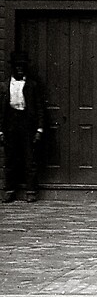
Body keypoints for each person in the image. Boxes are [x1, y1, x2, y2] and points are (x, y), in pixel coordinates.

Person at [1, 51, 45, 203]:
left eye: (22, 66)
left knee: (29, 157)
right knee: (10, 158)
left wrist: (39, 128)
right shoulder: (5, 85)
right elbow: (1, 110)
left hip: (27, 122)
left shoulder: (32, 85)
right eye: (17, 66)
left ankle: (31, 190)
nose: (20, 69)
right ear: (13, 68)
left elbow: (39, 108)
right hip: (11, 123)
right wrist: (1, 130)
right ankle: (9, 190)